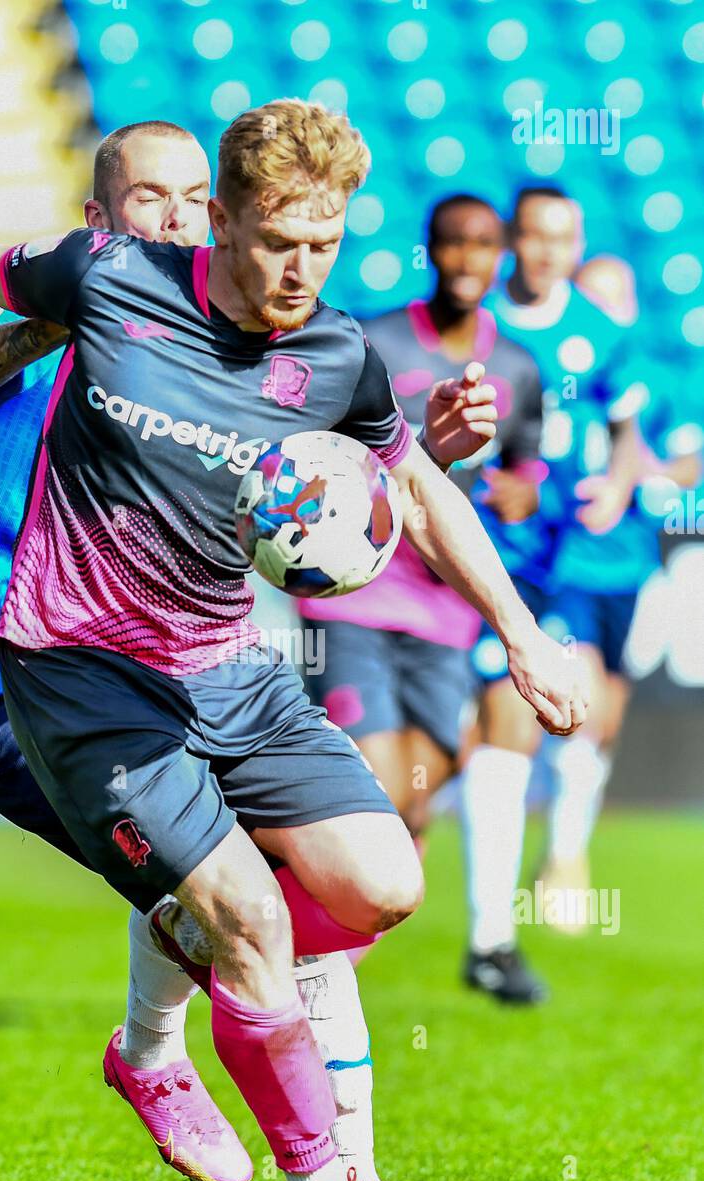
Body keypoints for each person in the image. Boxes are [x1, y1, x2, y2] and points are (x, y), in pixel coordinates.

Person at [0, 99, 587, 1181]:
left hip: (227, 666)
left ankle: (190, 1012)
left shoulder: (335, 352)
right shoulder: (101, 282)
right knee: (246, 910)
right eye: (278, 239)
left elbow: (382, 486)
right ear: (220, 227)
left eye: (326, 243)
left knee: (375, 885)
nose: (302, 267)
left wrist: (521, 630)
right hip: (72, 670)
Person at [298, 194, 547, 997]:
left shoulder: (516, 369)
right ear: (431, 251)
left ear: (499, 255)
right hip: (355, 603)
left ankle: (324, 946)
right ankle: (307, 968)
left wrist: (518, 492)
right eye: (452, 244)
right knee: (372, 785)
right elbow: (325, 447)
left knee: (415, 799)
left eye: (483, 246)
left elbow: (526, 470)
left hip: (444, 615)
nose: (467, 260)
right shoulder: (376, 341)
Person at [458, 186, 644, 967]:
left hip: (562, 558)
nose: (546, 253)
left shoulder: (600, 335)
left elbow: (629, 429)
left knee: (572, 712)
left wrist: (621, 484)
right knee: (484, 729)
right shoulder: (480, 327)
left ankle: (550, 873)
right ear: (513, 242)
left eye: (562, 240)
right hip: (481, 554)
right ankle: (487, 924)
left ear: (577, 245)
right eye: (534, 238)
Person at [534, 253, 702, 925]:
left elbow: (689, 459)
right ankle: (562, 866)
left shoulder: (654, 383)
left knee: (604, 721)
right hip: (567, 562)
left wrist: (651, 473)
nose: (603, 311)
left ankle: (566, 851)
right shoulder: (554, 372)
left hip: (632, 568)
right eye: (591, 297)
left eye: (615, 298)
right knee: (580, 701)